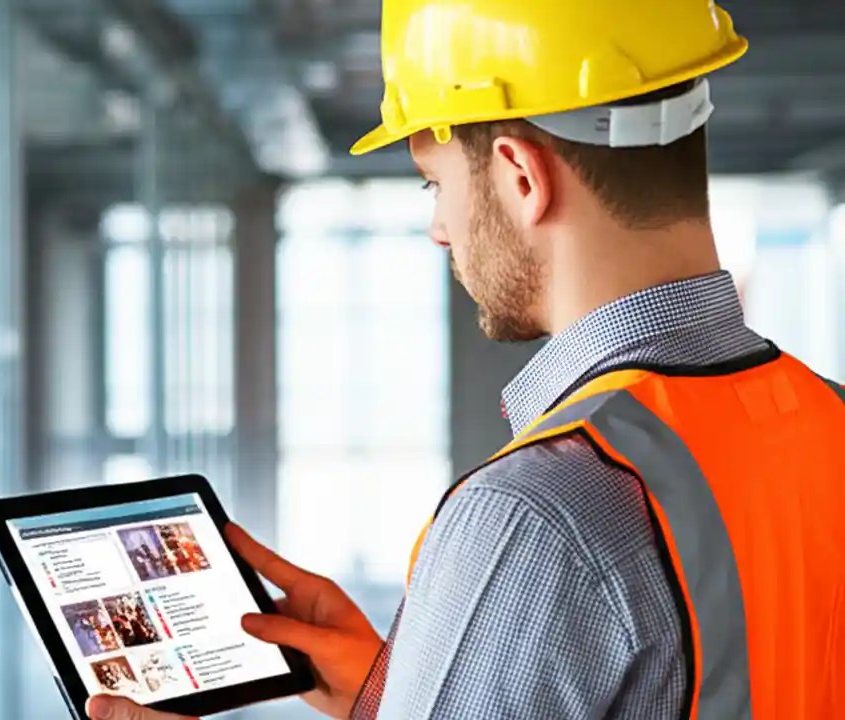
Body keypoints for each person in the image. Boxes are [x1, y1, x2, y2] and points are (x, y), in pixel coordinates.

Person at [86, 1, 845, 719]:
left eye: (436, 182)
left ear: (521, 176)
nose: (440, 229)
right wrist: (405, 691)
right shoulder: (827, 416)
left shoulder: (539, 514)